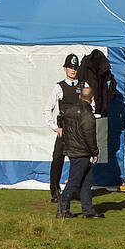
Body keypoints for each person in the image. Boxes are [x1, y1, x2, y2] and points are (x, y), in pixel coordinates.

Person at [57, 86, 103, 219]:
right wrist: (95, 152)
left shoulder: (69, 111)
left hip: (72, 150)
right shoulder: (88, 115)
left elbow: (64, 130)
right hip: (82, 152)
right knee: (74, 182)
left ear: (79, 96)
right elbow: (90, 135)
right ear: (92, 99)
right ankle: (62, 210)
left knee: (87, 181)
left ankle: (88, 210)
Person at [44, 54, 83, 203]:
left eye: (75, 68)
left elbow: (90, 106)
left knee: (78, 162)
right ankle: (55, 191)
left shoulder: (83, 86)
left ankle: (75, 190)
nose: (73, 70)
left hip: (78, 131)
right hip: (64, 130)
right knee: (57, 160)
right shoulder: (59, 87)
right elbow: (48, 109)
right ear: (65, 69)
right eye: (70, 68)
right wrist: (55, 127)